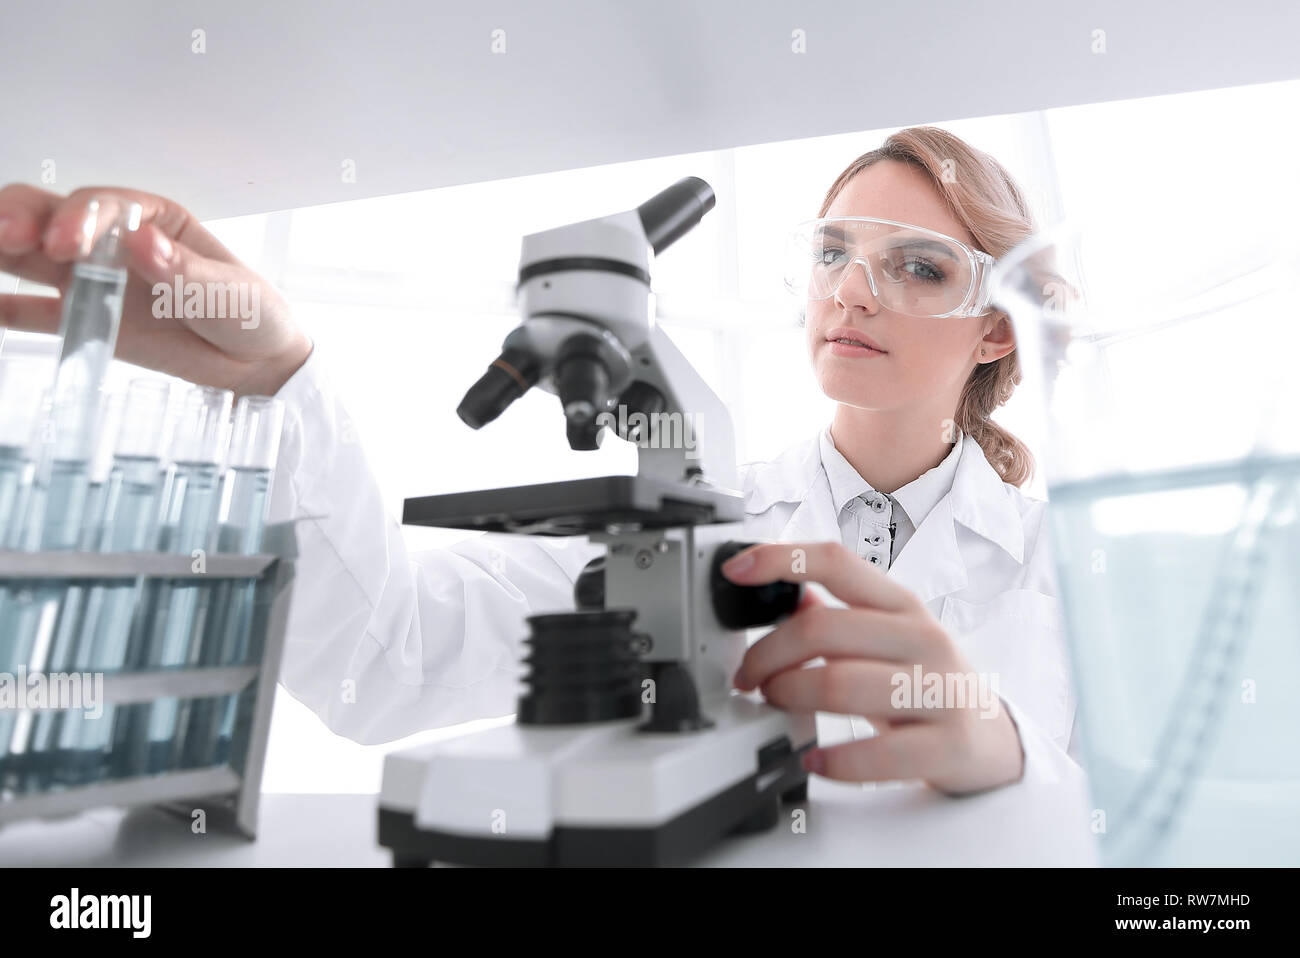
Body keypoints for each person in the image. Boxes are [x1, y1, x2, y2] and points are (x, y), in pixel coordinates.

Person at [0, 126, 1081, 796]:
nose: (852, 289)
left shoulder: (1065, 567)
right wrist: (282, 373)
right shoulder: (703, 528)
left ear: (998, 328)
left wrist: (1008, 753)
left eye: (920, 267)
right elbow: (385, 661)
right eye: (833, 252)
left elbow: (1165, 850)